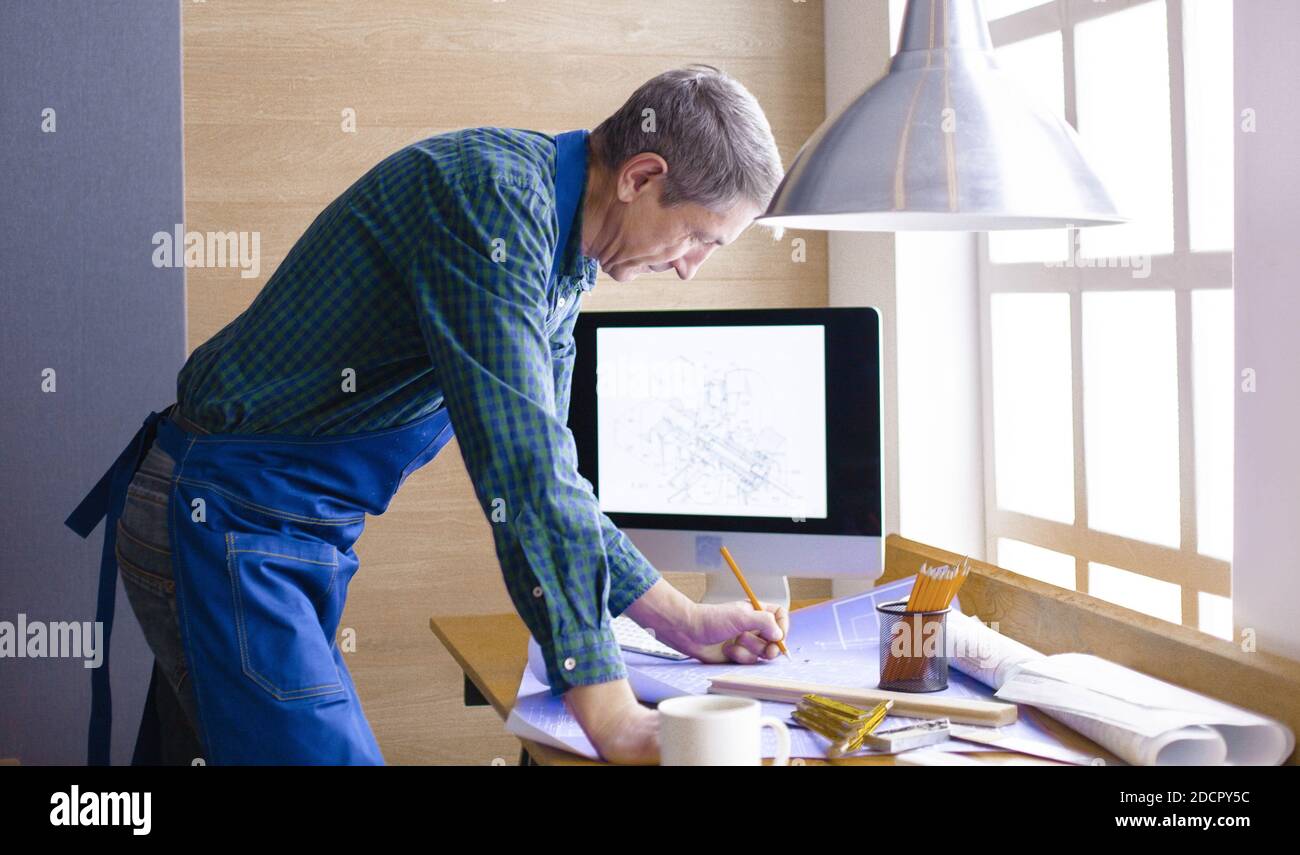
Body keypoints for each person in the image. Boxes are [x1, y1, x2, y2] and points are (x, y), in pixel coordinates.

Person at [66, 64, 790, 766]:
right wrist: (610, 712)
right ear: (642, 178)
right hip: (222, 517)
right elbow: (525, 472)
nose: (692, 264)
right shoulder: (494, 204)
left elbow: (558, 481)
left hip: (280, 533)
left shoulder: (560, 260)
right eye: (701, 236)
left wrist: (683, 620)